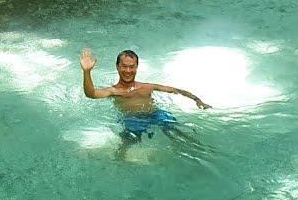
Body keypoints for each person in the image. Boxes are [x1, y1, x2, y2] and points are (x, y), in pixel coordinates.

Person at [79, 49, 210, 154]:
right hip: (132, 119)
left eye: (132, 67)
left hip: (155, 114)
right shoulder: (114, 91)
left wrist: (198, 101)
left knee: (177, 133)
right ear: (117, 67)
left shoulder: (147, 87)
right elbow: (91, 94)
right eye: (124, 66)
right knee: (126, 145)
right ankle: (120, 163)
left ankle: (198, 151)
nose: (128, 71)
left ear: (137, 67)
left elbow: (176, 90)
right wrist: (86, 72)